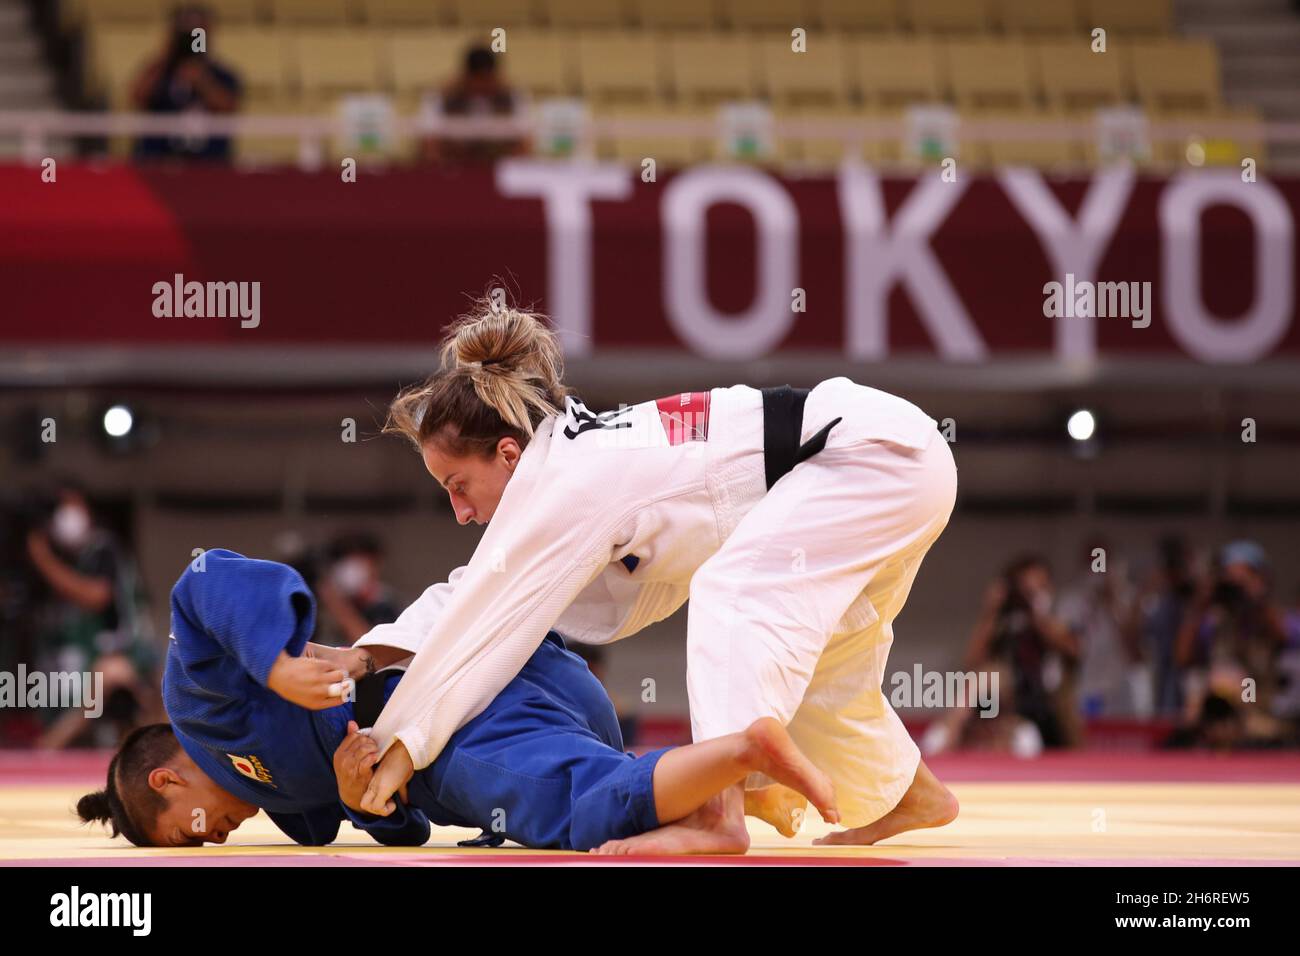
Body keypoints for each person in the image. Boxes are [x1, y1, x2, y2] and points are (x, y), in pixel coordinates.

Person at [359, 301, 960, 852]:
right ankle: (911, 794)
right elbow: (483, 597)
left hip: (868, 455)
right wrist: (365, 658)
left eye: (458, 487)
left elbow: (491, 606)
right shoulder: (571, 465)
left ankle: (716, 813)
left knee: (734, 595)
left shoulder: (569, 480)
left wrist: (398, 742)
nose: (460, 512)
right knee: (833, 660)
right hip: (895, 458)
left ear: (509, 454)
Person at [75, 550, 836, 852]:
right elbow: (402, 832)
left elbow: (202, 582)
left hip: (453, 700)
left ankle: (741, 751)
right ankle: (721, 790)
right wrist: (365, 804)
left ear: (166, 780)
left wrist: (274, 667)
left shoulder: (198, 707)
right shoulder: (290, 807)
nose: (215, 843)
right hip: (537, 695)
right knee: (531, 790)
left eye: (188, 837)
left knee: (564, 814)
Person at [23, 481, 157, 748]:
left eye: (72, 504)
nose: (67, 514)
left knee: (111, 675)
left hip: (126, 652)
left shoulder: (102, 547)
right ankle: (54, 744)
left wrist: (43, 559)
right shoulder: (72, 555)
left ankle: (50, 746)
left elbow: (97, 596)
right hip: (83, 657)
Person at [131, 5, 242, 163]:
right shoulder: (158, 71)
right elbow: (138, 96)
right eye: (185, 33)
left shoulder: (222, 75)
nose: (191, 39)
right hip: (158, 160)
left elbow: (229, 107)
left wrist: (202, 81)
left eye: (198, 33)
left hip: (207, 163)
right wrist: (168, 54)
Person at [423, 46, 525, 164]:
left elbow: (524, 143)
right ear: (466, 76)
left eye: (487, 80)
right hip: (454, 166)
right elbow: (429, 143)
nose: (482, 85)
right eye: (477, 80)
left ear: (494, 76)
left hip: (499, 165)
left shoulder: (512, 96)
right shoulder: (443, 96)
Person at [316, 532, 401, 646]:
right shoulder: (320, 601)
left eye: (359, 562)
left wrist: (338, 606)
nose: (352, 572)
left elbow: (375, 650)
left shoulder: (387, 605)